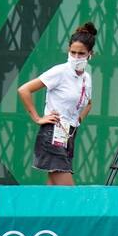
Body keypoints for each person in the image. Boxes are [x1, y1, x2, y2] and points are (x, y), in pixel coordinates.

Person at [18, 21, 98, 185]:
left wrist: (77, 121)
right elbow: (24, 90)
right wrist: (38, 118)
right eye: (73, 52)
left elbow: (88, 103)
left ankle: (43, 211)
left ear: (91, 54)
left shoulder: (87, 78)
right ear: (68, 51)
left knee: (54, 192)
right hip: (53, 133)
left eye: (81, 53)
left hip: (69, 134)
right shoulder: (60, 71)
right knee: (69, 192)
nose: (76, 57)